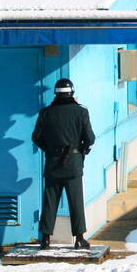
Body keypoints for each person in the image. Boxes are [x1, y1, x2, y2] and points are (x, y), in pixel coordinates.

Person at [31, 78, 95, 249]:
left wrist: (49, 150)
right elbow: (90, 139)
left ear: (56, 93)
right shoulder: (81, 111)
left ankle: (45, 239)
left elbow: (36, 137)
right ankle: (79, 239)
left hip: (53, 162)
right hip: (73, 163)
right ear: (72, 92)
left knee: (50, 201)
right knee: (76, 202)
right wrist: (82, 150)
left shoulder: (46, 112)